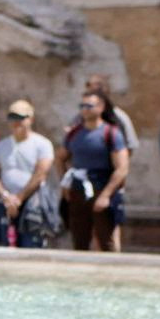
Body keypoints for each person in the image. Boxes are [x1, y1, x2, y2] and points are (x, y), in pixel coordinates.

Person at [57, 91, 129, 251]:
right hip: (78, 189)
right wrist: (65, 184)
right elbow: (60, 157)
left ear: (101, 107)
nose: (85, 109)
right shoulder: (74, 133)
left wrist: (106, 195)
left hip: (102, 186)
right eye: (82, 106)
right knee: (79, 239)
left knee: (106, 241)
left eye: (89, 106)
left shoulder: (111, 133)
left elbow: (122, 168)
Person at [0, 99, 55, 248]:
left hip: (32, 203)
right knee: (4, 245)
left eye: (20, 118)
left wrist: (19, 198)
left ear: (30, 119)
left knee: (31, 245)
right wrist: (6, 197)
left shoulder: (42, 144)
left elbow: (40, 174)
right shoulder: (1, 146)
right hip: (6, 203)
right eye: (12, 118)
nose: (16, 122)